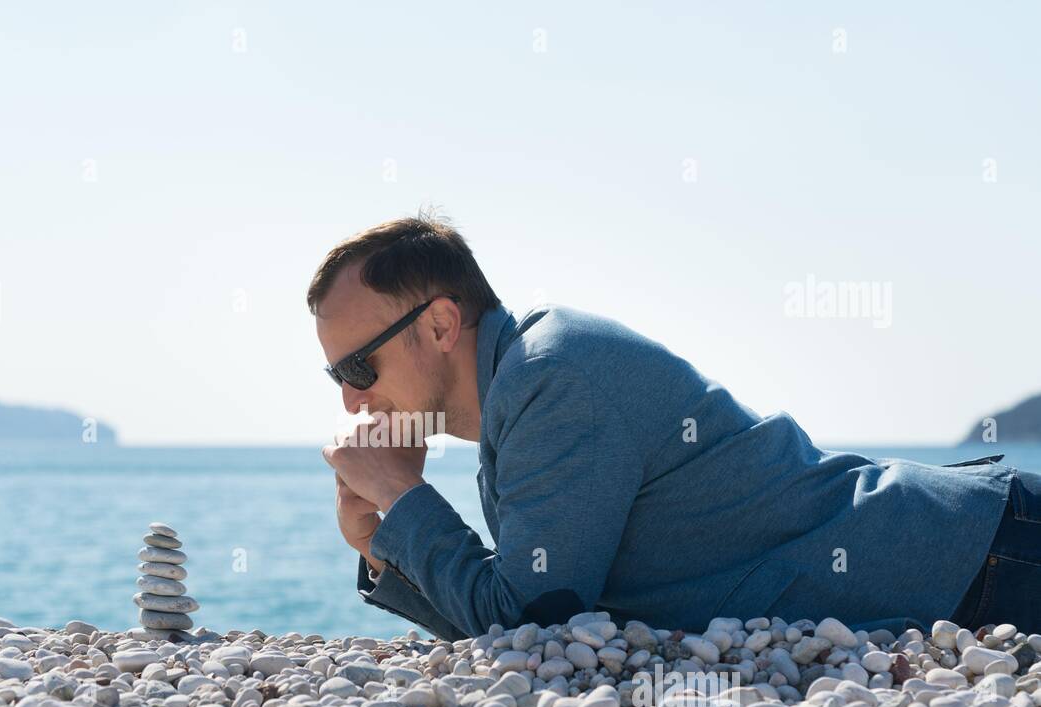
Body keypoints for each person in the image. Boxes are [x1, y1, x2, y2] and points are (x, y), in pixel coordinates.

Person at [312, 211, 1037, 642]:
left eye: (359, 368)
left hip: (983, 559)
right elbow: (526, 616)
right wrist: (382, 543)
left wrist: (405, 499)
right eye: (338, 376)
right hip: (973, 557)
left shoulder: (550, 375)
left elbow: (532, 622)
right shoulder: (521, 394)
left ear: (440, 323)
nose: (352, 404)